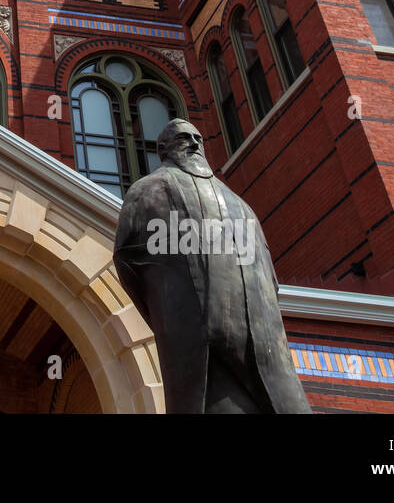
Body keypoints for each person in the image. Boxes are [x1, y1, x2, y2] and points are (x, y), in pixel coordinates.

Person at [112, 118, 311, 413]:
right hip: (198, 341)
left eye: (197, 138)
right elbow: (127, 261)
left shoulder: (240, 204)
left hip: (261, 341)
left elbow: (269, 274)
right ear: (163, 150)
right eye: (183, 139)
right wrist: (167, 312)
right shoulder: (146, 192)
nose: (194, 144)